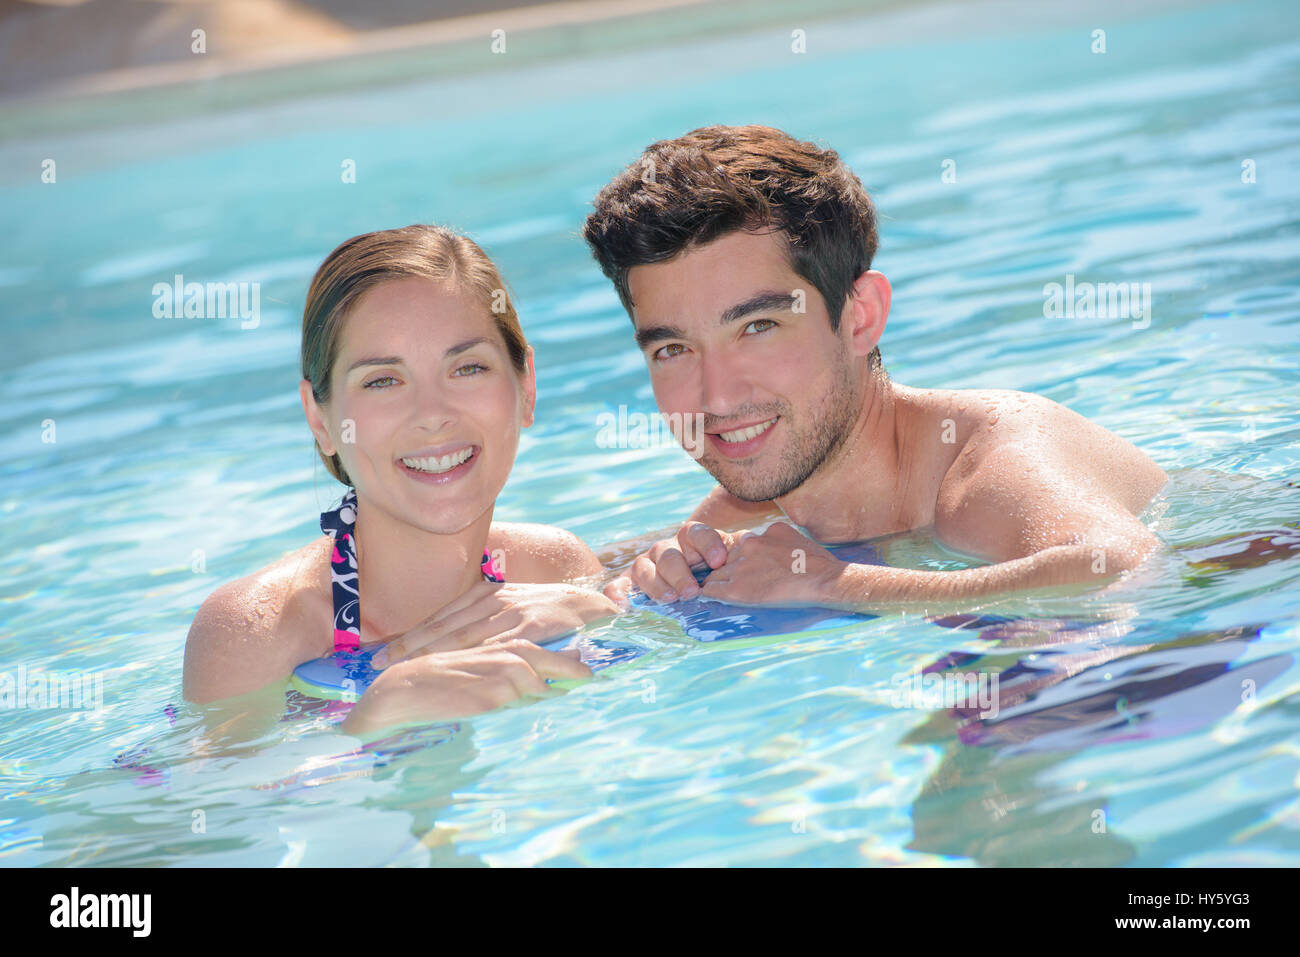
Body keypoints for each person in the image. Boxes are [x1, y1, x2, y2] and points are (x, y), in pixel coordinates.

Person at [583, 125, 1168, 609]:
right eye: (673, 349)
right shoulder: (747, 510)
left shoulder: (991, 463)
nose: (718, 397)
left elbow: (1122, 564)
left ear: (860, 316)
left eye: (757, 327)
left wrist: (832, 584)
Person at [184, 224, 617, 734]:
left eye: (468, 368)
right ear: (320, 420)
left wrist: (608, 606)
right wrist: (373, 722)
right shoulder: (259, 629)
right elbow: (203, 802)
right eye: (383, 381)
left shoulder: (553, 571)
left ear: (526, 386)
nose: (432, 414)